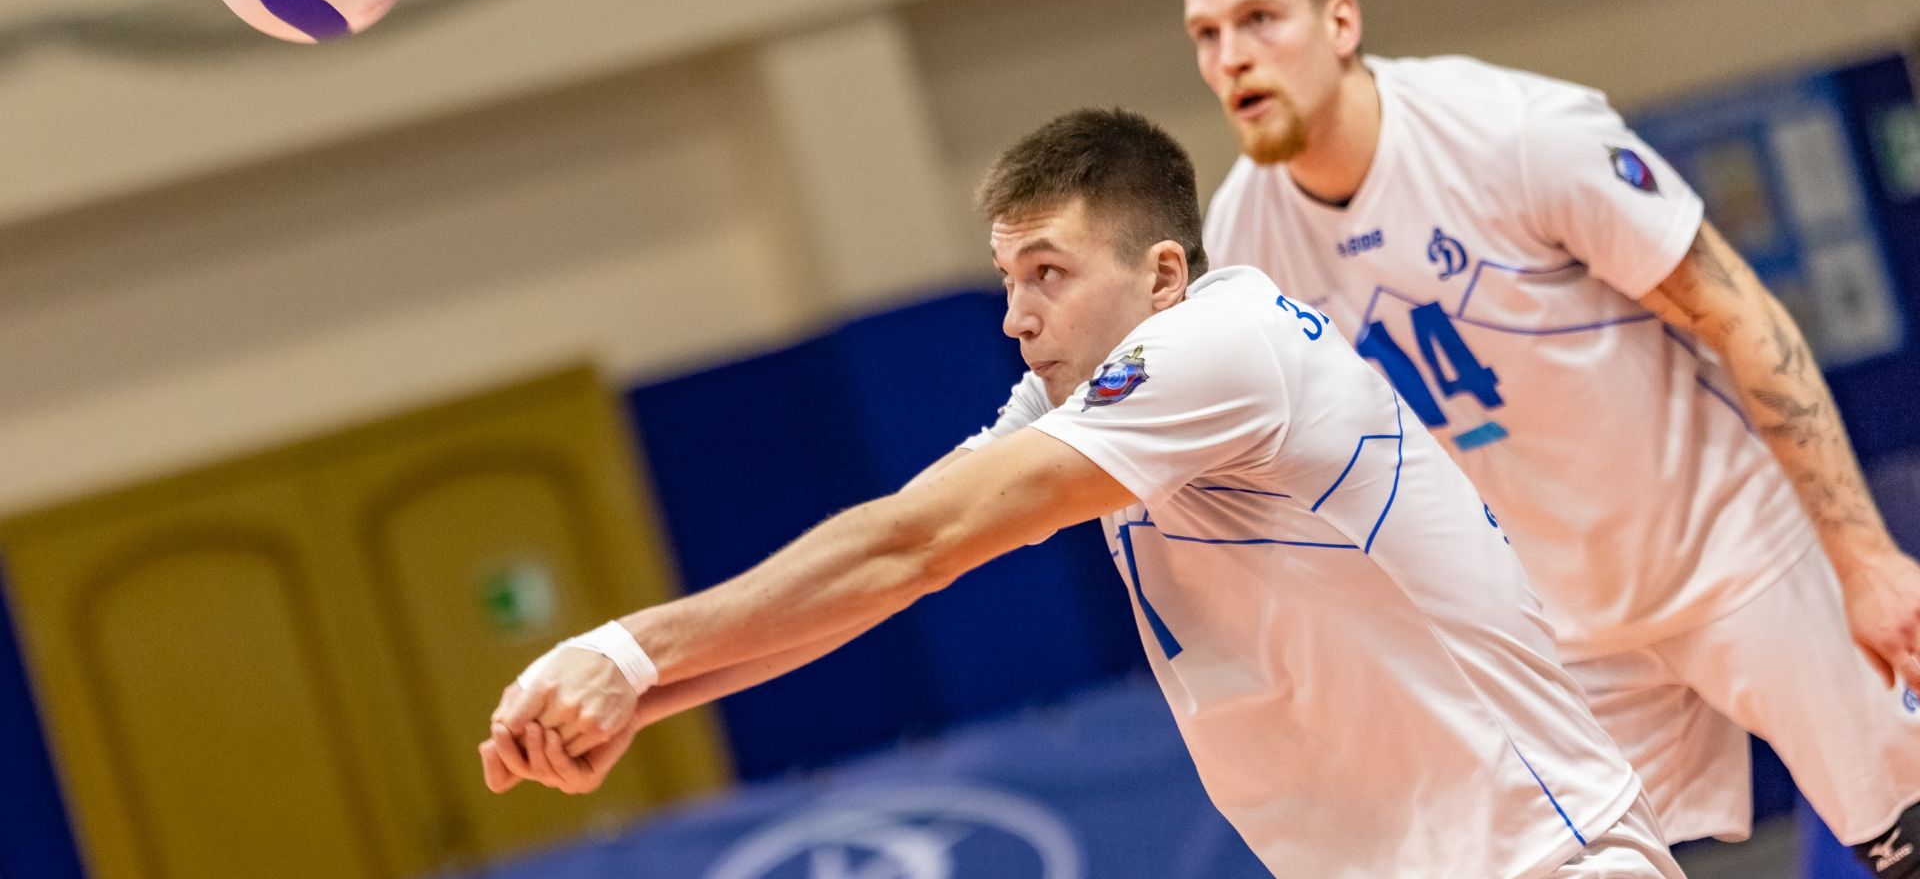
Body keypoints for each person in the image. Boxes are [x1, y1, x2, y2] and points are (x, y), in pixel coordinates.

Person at [480, 109, 1685, 878]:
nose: (1016, 317)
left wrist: (628, 650)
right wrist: (645, 698)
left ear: (1161, 274)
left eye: (1048, 273)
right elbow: (883, 576)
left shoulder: (1221, 345)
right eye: (1007, 278)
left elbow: (913, 547)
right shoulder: (1073, 401)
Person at [1183, 0, 1920, 868]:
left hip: (1730, 549)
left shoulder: (1515, 133)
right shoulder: (1242, 244)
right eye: (1207, 34)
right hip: (1562, 635)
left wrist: (1865, 560)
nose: (1232, 57)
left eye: (1258, 19)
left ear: (1341, 24)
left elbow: (1741, 313)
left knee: (1906, 843)